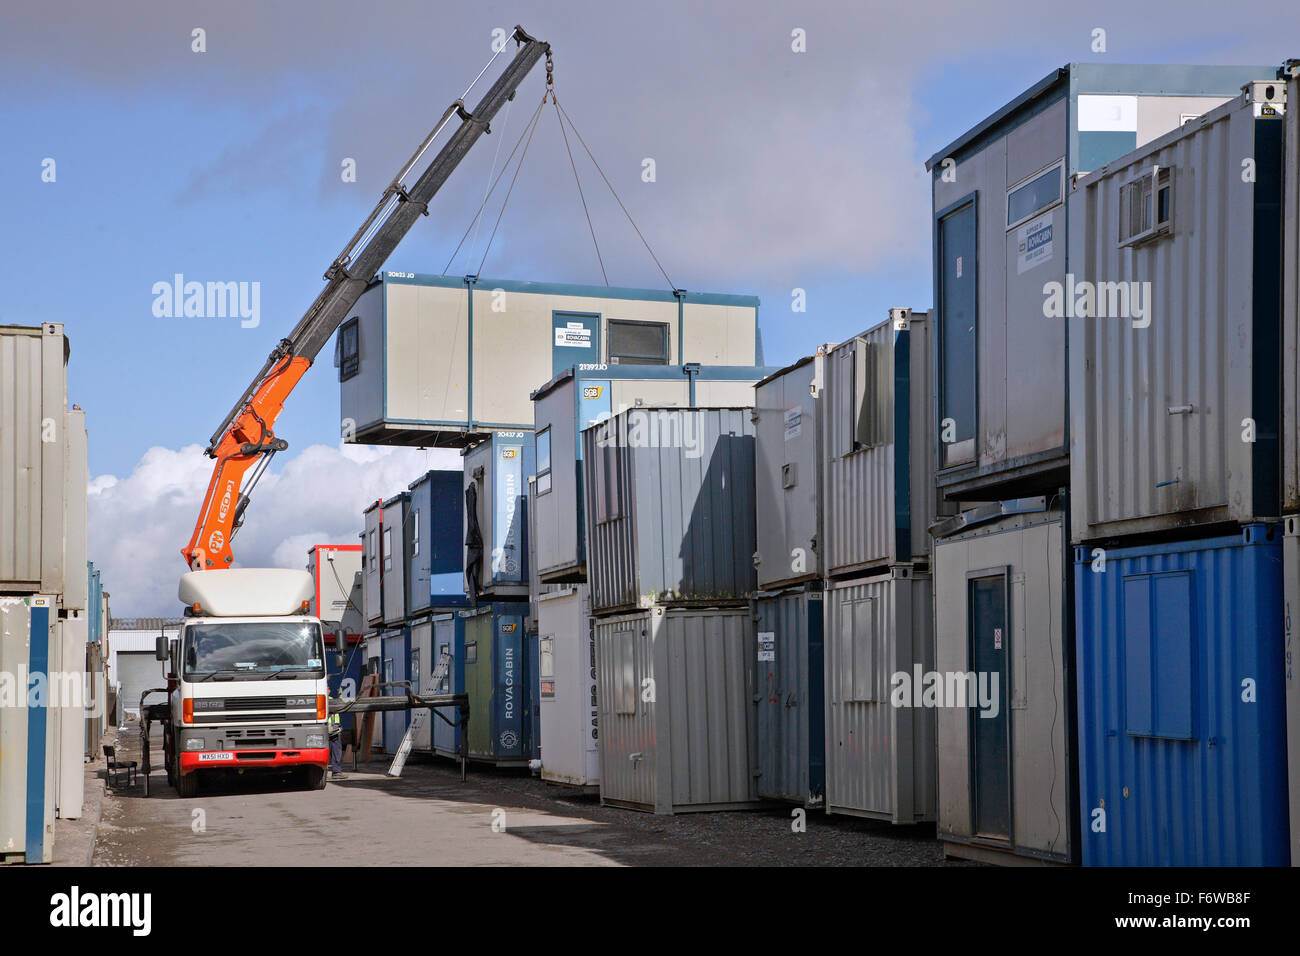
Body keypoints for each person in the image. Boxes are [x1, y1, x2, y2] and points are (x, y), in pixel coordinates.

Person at [328, 690, 346, 780]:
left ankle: (336, 771)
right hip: (330, 729)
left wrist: (340, 698)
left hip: (333, 728)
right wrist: (341, 698)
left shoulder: (331, 699)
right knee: (335, 751)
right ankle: (336, 771)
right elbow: (340, 707)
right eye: (327, 687)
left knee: (335, 751)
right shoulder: (329, 700)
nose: (329, 689)